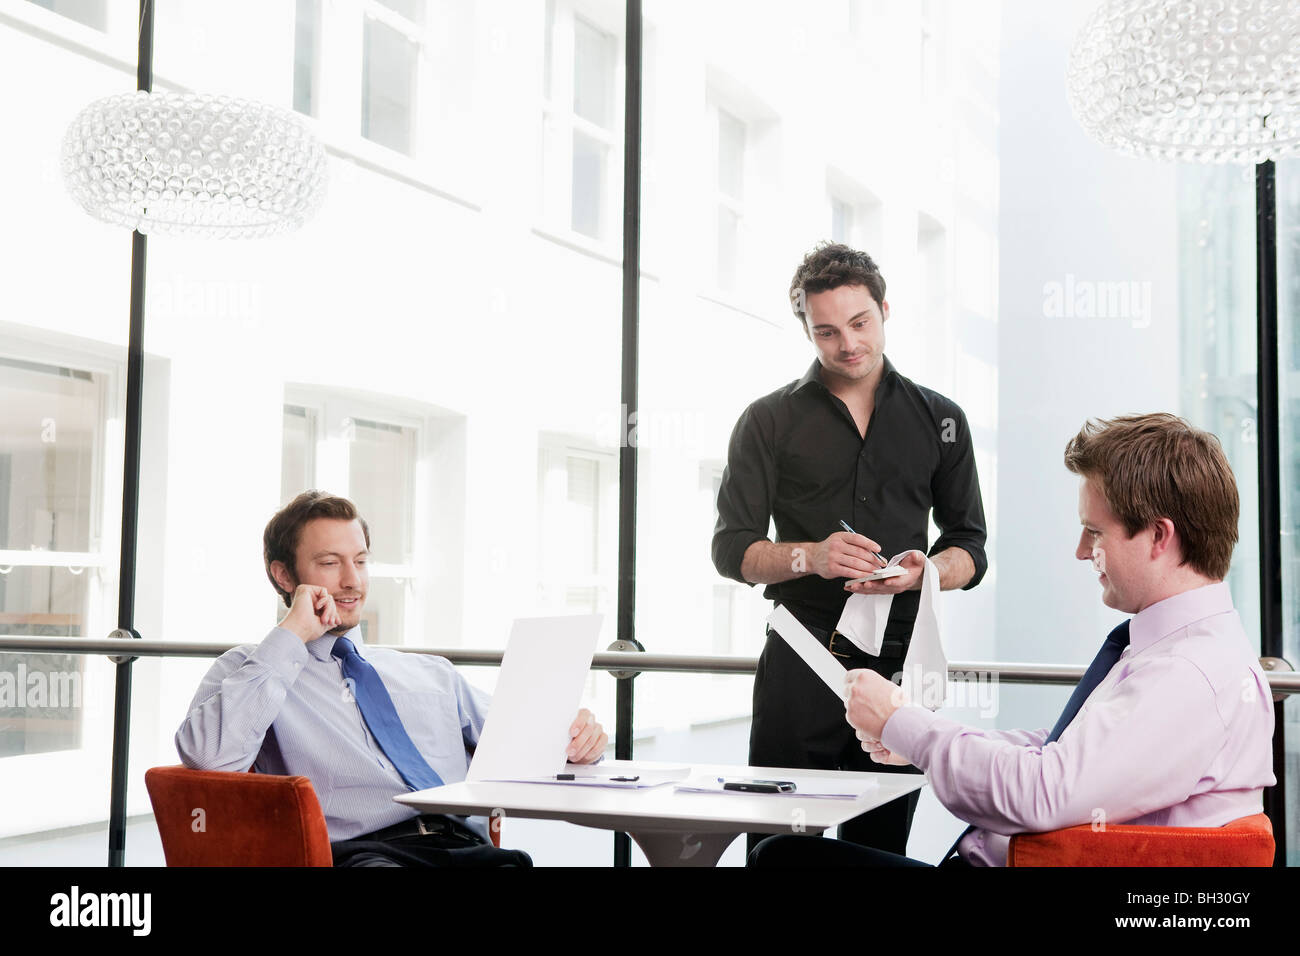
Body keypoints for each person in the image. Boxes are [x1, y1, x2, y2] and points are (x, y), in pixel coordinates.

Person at [749, 413, 1276, 867]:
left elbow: (1043, 792)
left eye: (1095, 532)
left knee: (783, 857)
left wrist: (903, 723)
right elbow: (1061, 754)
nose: (1081, 551)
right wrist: (911, 733)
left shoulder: (1188, 673)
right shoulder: (1176, 651)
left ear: (1159, 536)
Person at [711, 242, 987, 853]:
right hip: (800, 656)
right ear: (807, 330)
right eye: (827, 331)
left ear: (885, 310)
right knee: (775, 852)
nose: (848, 344)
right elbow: (731, 549)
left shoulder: (942, 420)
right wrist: (810, 556)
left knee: (879, 854)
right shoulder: (766, 420)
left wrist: (925, 571)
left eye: (860, 323)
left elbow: (971, 547)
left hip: (899, 666)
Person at [175, 491, 608, 867]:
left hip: (462, 848)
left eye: (361, 561)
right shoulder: (250, 670)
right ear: (284, 576)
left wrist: (575, 739)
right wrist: (291, 634)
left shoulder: (430, 673)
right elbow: (209, 758)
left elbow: (526, 744)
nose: (352, 580)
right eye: (330, 563)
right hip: (362, 855)